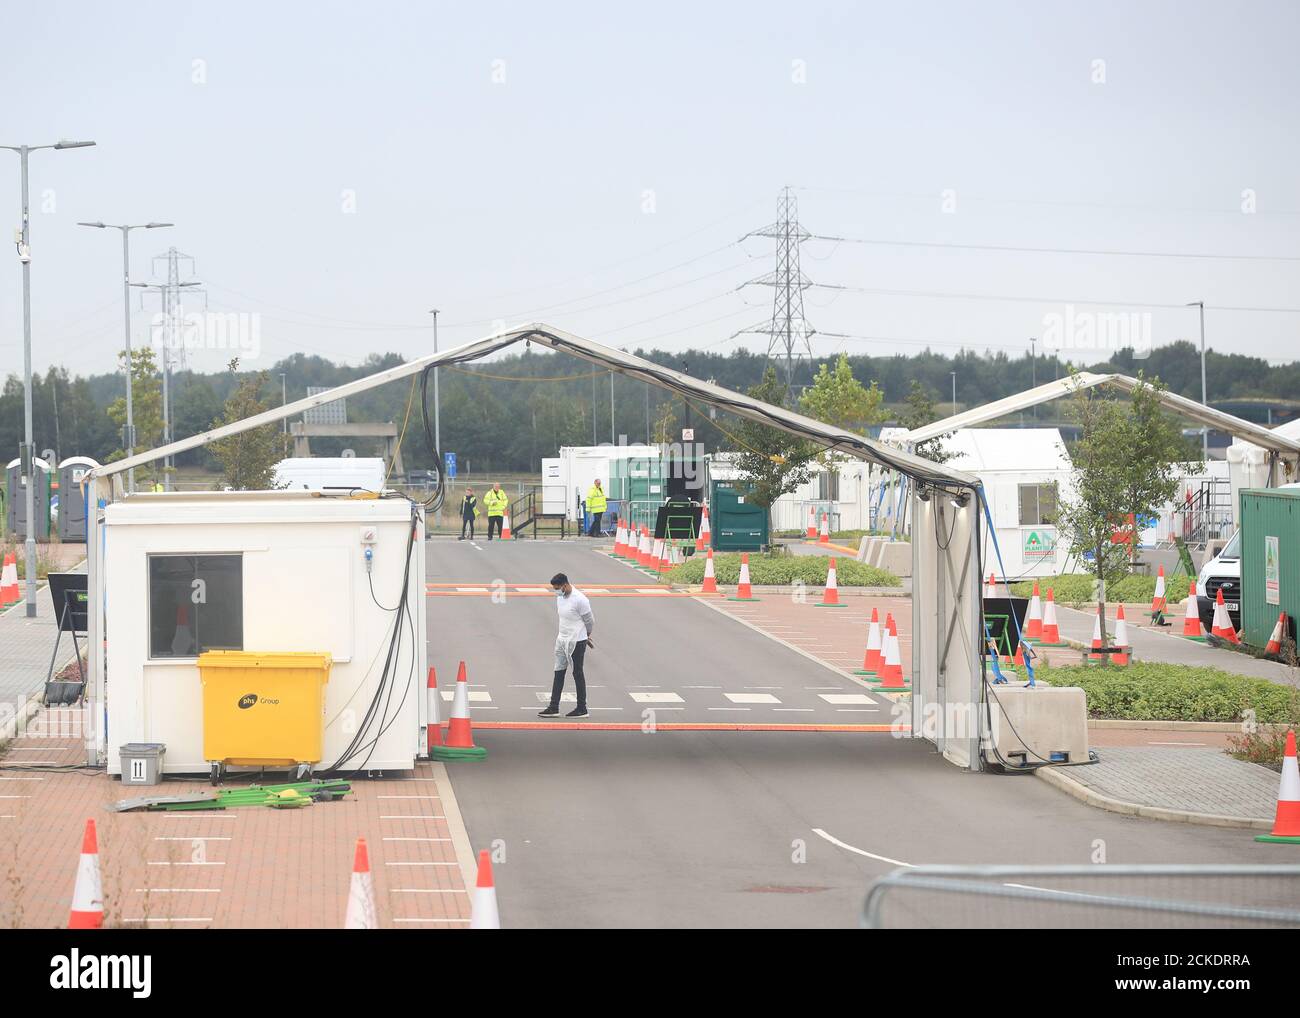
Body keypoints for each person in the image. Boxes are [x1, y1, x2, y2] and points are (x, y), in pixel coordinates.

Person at [538, 573, 593, 719]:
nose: (557, 591)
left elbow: (589, 620)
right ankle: (553, 706)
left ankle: (582, 708)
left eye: (558, 588)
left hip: (576, 641)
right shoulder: (560, 598)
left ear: (565, 585)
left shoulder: (580, 600)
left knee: (577, 673)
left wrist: (587, 635)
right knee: (558, 672)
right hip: (562, 639)